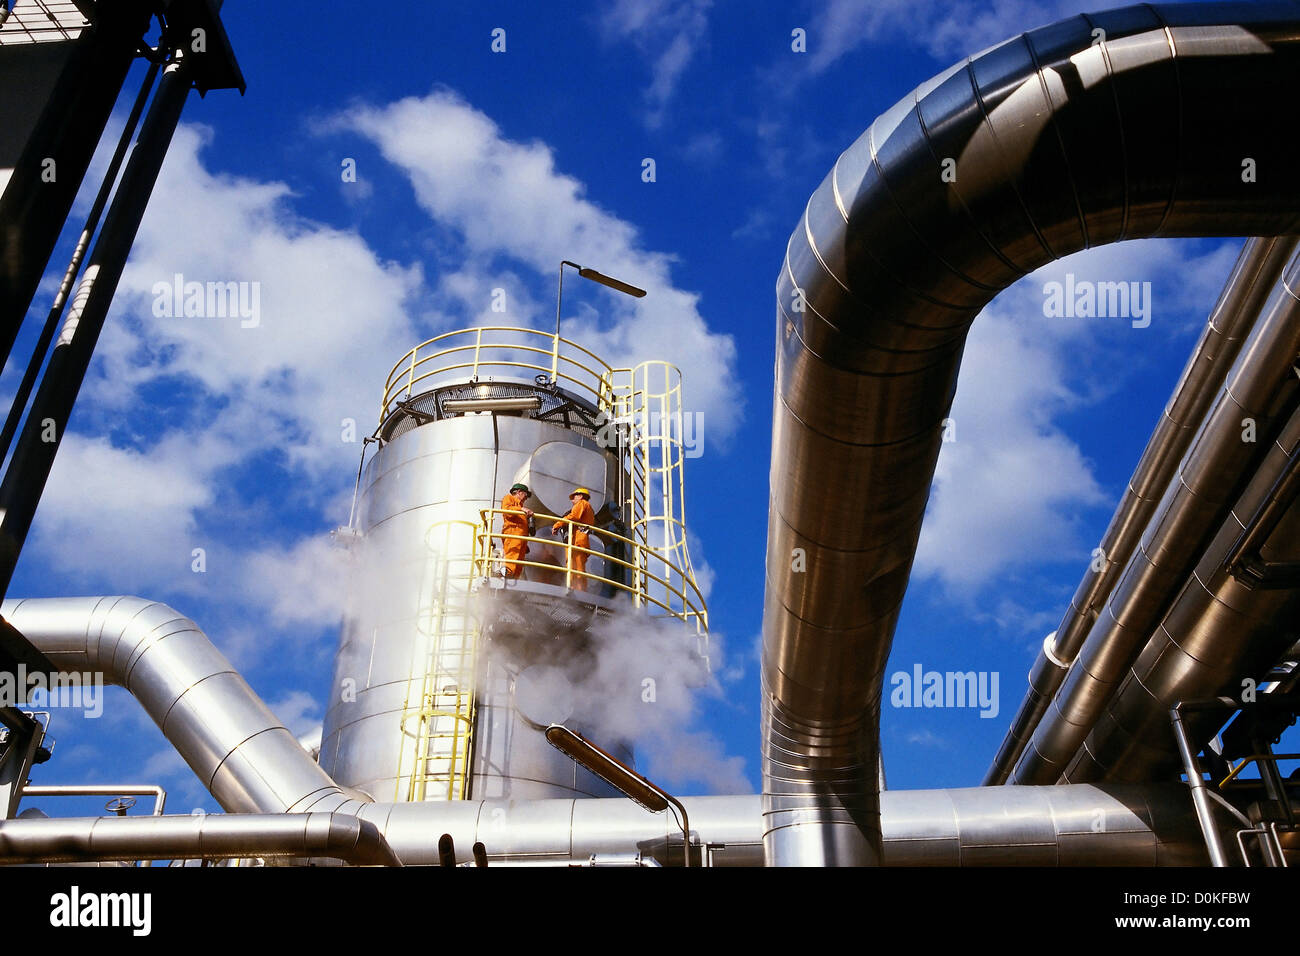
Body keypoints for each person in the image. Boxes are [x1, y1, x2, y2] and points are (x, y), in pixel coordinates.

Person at [553, 487, 596, 591]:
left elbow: (574, 516)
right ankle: (578, 588)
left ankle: (575, 589)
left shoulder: (582, 503)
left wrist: (558, 524)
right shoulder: (589, 509)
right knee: (577, 568)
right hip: (580, 541)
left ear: (580, 496)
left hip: (577, 541)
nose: (572, 500)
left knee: (575, 567)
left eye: (574, 497)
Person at [499, 483, 533, 579]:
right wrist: (521, 509)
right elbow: (507, 511)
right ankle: (508, 577)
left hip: (521, 538)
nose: (526, 498)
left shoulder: (520, 506)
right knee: (512, 556)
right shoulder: (508, 498)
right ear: (519, 492)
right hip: (512, 533)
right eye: (526, 495)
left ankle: (514, 579)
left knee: (519, 561)